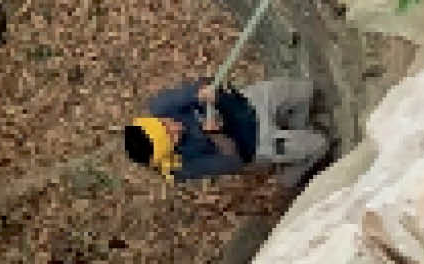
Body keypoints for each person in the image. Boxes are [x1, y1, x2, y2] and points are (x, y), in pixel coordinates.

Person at [124, 77, 329, 185]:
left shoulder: (160, 106)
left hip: (249, 103)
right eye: (172, 138)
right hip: (257, 142)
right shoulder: (182, 166)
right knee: (320, 144)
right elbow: (234, 161)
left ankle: (297, 129)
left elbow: (195, 90)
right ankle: (290, 176)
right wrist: (217, 136)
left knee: (306, 90)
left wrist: (202, 93)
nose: (176, 128)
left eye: (166, 125)